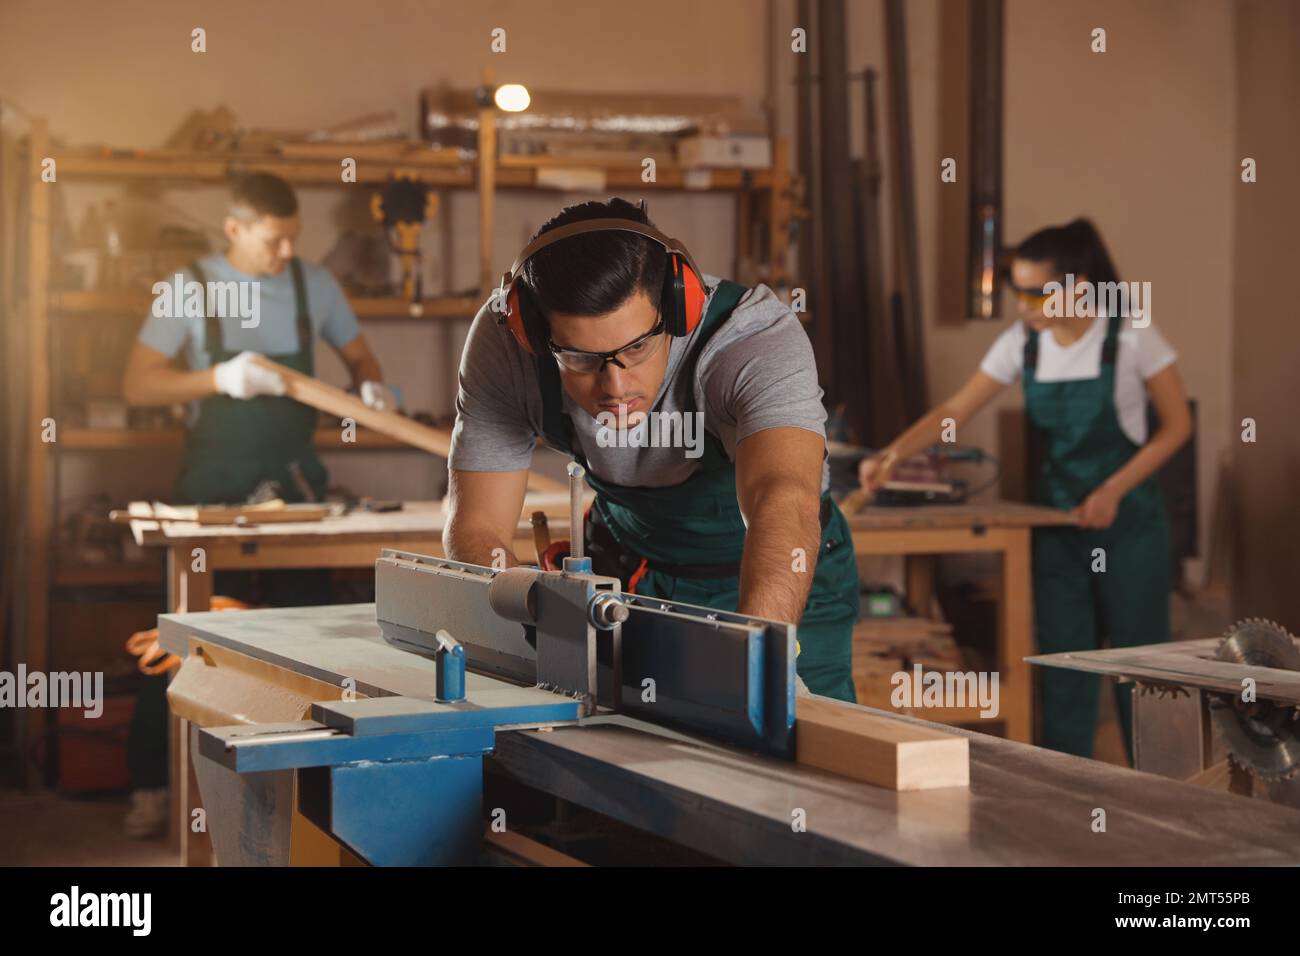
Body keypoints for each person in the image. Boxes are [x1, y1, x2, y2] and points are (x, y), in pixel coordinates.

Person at [445, 197, 860, 700]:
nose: (615, 386)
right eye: (580, 358)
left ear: (677, 305)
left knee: (796, 750)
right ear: (531, 333)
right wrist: (524, 612)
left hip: (777, 571)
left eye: (638, 348)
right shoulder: (504, 349)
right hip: (627, 568)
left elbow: (784, 501)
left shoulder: (751, 342)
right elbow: (478, 527)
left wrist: (762, 660)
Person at [119, 172, 396, 836]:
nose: (283, 255)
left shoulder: (313, 285)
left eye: (294, 239)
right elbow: (137, 385)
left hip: (294, 492)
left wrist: (374, 387)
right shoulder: (190, 287)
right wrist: (219, 377)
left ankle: (298, 802)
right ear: (235, 229)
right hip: (214, 492)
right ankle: (156, 786)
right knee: (189, 640)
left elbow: (364, 361)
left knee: (305, 643)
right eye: (273, 241)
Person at [859, 218, 1191, 758]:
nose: (1024, 306)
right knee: (1064, 668)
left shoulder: (1131, 334)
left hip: (1127, 526)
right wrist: (893, 455)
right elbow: (954, 410)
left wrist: (1112, 491)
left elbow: (1178, 427)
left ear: (1077, 288)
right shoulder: (1023, 343)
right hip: (1058, 527)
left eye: (1037, 293)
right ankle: (1067, 799)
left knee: (1140, 671)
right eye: (1019, 292)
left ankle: (1159, 801)